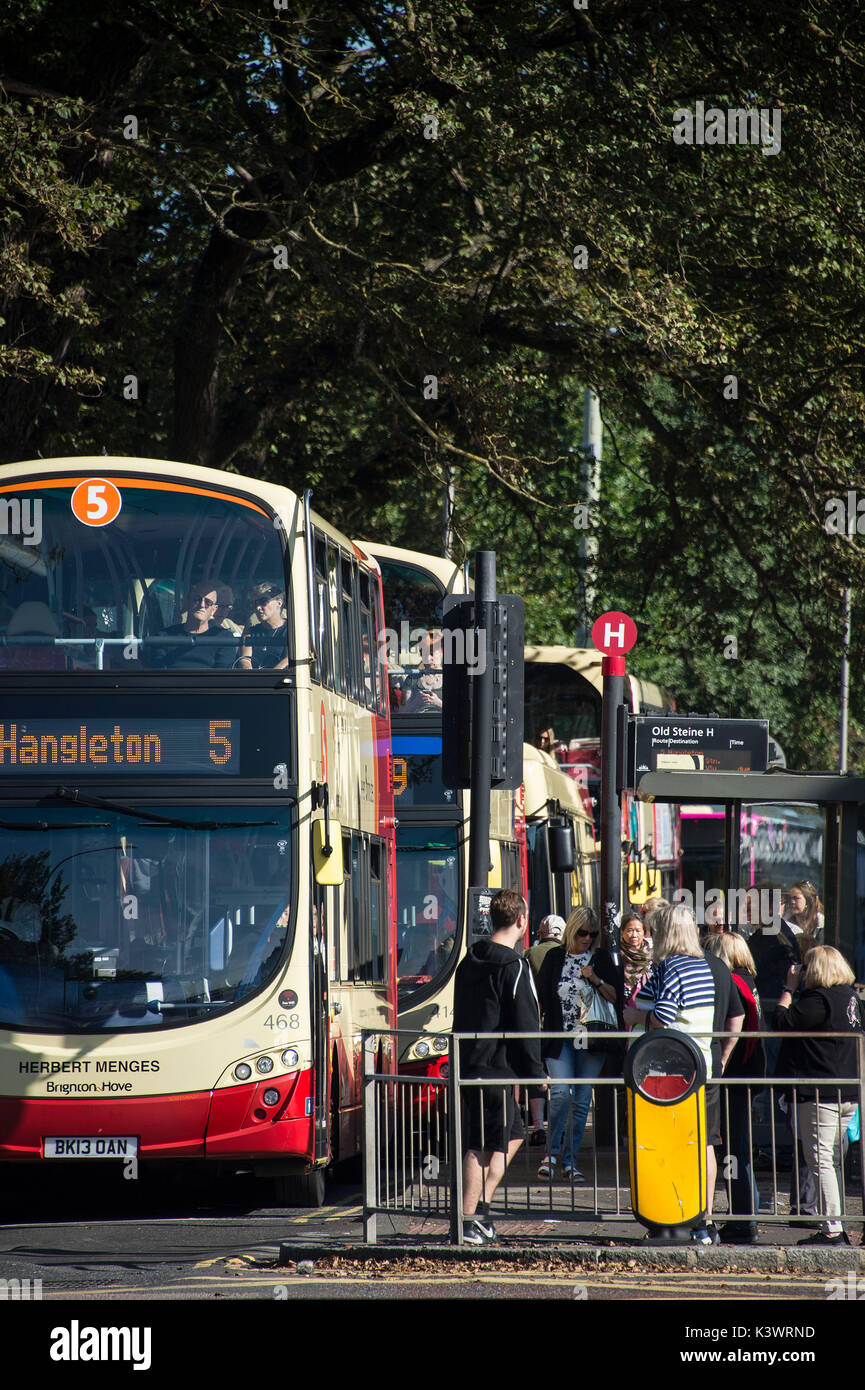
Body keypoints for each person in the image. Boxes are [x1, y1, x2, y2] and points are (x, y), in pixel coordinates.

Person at [452, 889, 547, 1245]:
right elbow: (526, 1024)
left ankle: (482, 1209)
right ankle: (466, 1221)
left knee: (515, 1133)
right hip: (495, 1067)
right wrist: (536, 1075)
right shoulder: (515, 965)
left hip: (472, 1062)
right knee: (478, 1145)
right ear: (522, 921)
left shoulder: (468, 960)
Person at [624, 904, 718, 1241]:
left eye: (655, 930)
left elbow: (661, 1016)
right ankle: (700, 1220)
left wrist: (635, 1019)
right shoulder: (699, 965)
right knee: (701, 1141)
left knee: (667, 1143)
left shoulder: (673, 966)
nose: (650, 936)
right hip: (698, 1065)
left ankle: (668, 1214)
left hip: (669, 1069)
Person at [774, 945, 863, 1246]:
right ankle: (834, 1226)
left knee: (821, 1161)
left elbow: (781, 1022)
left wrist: (788, 988)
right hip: (847, 1090)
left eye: (806, 966)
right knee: (834, 1160)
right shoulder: (849, 997)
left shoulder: (818, 999)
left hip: (821, 1091)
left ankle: (832, 1230)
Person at [536, 906, 619, 1182]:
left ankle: (570, 1161)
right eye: (582, 933)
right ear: (571, 930)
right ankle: (551, 1153)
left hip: (591, 1040)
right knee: (560, 1094)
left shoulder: (602, 958)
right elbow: (543, 1000)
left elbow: (615, 996)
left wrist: (594, 977)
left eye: (592, 934)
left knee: (582, 1099)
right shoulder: (554, 957)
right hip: (560, 1038)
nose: (587, 939)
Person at [705, 933, 764, 1244]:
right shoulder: (748, 980)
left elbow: (738, 1028)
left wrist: (724, 1061)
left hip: (733, 1076)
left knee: (734, 1150)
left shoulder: (732, 982)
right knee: (738, 1149)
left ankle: (742, 1220)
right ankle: (744, 1215)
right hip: (745, 1075)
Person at [524, 914, 566, 1145]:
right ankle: (559, 1129)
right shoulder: (569, 954)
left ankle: (538, 1127)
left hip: (535, 1023)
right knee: (560, 1074)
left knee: (537, 1074)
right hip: (562, 1024)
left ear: (540, 934)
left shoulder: (529, 954)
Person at [150, 581, 236, 669]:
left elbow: (223, 677)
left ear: (214, 609)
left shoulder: (224, 638)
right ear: (187, 602)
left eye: (208, 602)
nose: (202, 605)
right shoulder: (165, 636)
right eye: (197, 599)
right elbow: (158, 673)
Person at [238, 582, 288, 670]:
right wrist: (251, 674)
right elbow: (245, 659)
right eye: (254, 603)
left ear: (279, 603)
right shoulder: (250, 632)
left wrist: (272, 676)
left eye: (263, 601)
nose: (258, 607)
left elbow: (289, 659)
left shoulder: (291, 629)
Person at [617, 909, 654, 1024]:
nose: (634, 935)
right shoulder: (616, 957)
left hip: (645, 1012)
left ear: (644, 932)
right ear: (622, 932)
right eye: (629, 930)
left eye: (638, 931)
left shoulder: (652, 957)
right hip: (621, 1013)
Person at [400, 630, 443, 713]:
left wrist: (438, 703)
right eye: (424, 654)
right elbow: (401, 712)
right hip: (418, 724)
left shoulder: (451, 678)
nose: (428, 658)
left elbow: (459, 712)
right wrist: (416, 703)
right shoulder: (412, 679)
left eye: (432, 653)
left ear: (442, 652)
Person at [786, 880, 825, 945]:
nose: (792, 902)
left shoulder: (821, 925)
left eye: (796, 898)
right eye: (790, 898)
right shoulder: (787, 924)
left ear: (809, 900)